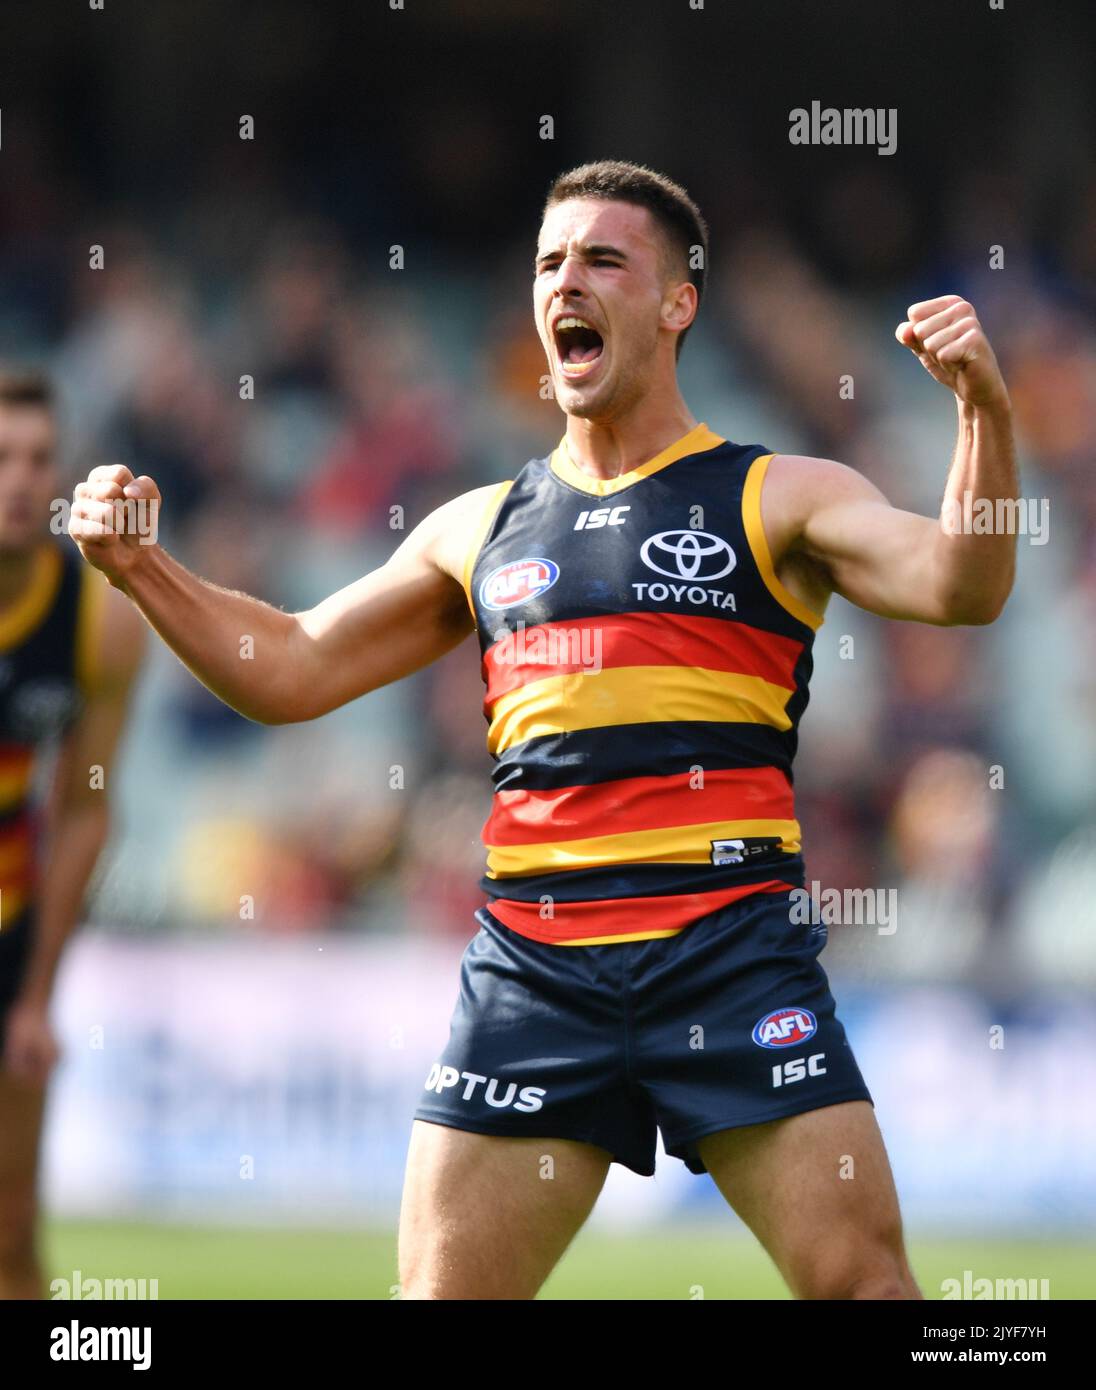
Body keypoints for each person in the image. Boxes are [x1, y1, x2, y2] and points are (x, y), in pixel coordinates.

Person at [68, 160, 1018, 1300]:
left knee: (866, 1290)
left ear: (677, 302)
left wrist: (982, 409)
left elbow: (962, 585)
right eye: (549, 262)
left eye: (604, 259)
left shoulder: (780, 495)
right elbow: (291, 669)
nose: (567, 279)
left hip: (729, 960)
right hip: (535, 975)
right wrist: (141, 569)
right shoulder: (480, 526)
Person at [0, 370, 146, 1299]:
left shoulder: (100, 620)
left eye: (39, 459)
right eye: (1, 459)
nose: (19, 478)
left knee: (11, 1235)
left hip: (9, 938)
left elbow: (87, 805)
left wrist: (37, 995)